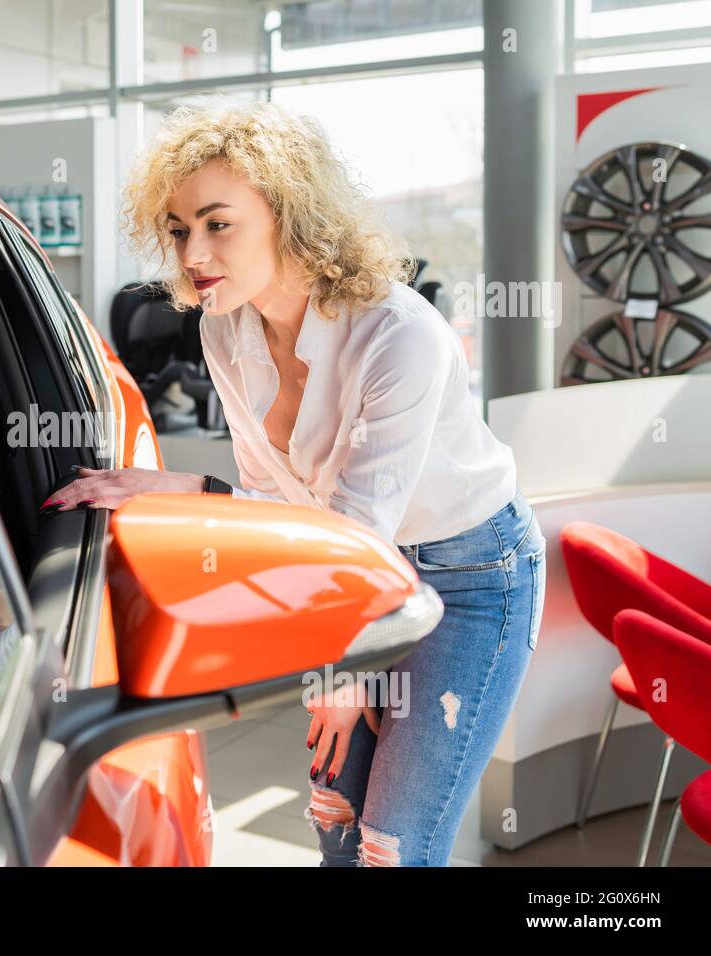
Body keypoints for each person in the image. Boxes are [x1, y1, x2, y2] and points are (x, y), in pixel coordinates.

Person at [43, 100, 546, 866]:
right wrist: (180, 489)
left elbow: (357, 530)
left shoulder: (398, 335)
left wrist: (339, 674)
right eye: (179, 230)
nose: (192, 253)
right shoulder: (223, 326)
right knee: (333, 818)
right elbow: (282, 510)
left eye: (219, 224)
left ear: (289, 214)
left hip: (471, 576)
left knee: (390, 846)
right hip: (350, 566)